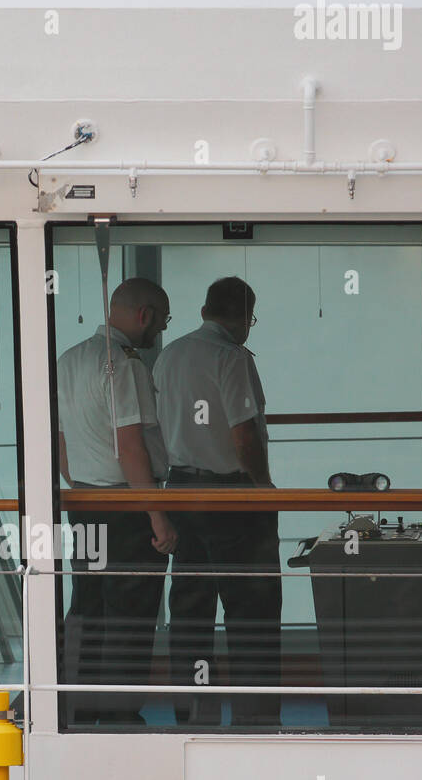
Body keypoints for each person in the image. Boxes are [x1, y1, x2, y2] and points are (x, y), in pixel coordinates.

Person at [154, 276, 282, 729]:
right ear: (244, 317)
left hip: (182, 491)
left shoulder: (169, 356)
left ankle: (192, 718)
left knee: (190, 612)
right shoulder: (231, 358)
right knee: (252, 611)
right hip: (234, 497)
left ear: (206, 309)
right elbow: (244, 434)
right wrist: (263, 486)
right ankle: (257, 718)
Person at [57, 277, 177, 727]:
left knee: (88, 601)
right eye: (162, 321)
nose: (159, 330)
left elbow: (61, 442)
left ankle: (76, 700)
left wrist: (81, 482)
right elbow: (131, 447)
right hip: (127, 510)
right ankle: (119, 711)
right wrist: (157, 516)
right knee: (131, 608)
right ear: (144, 315)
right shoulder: (124, 366)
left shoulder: (68, 360)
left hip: (84, 501)